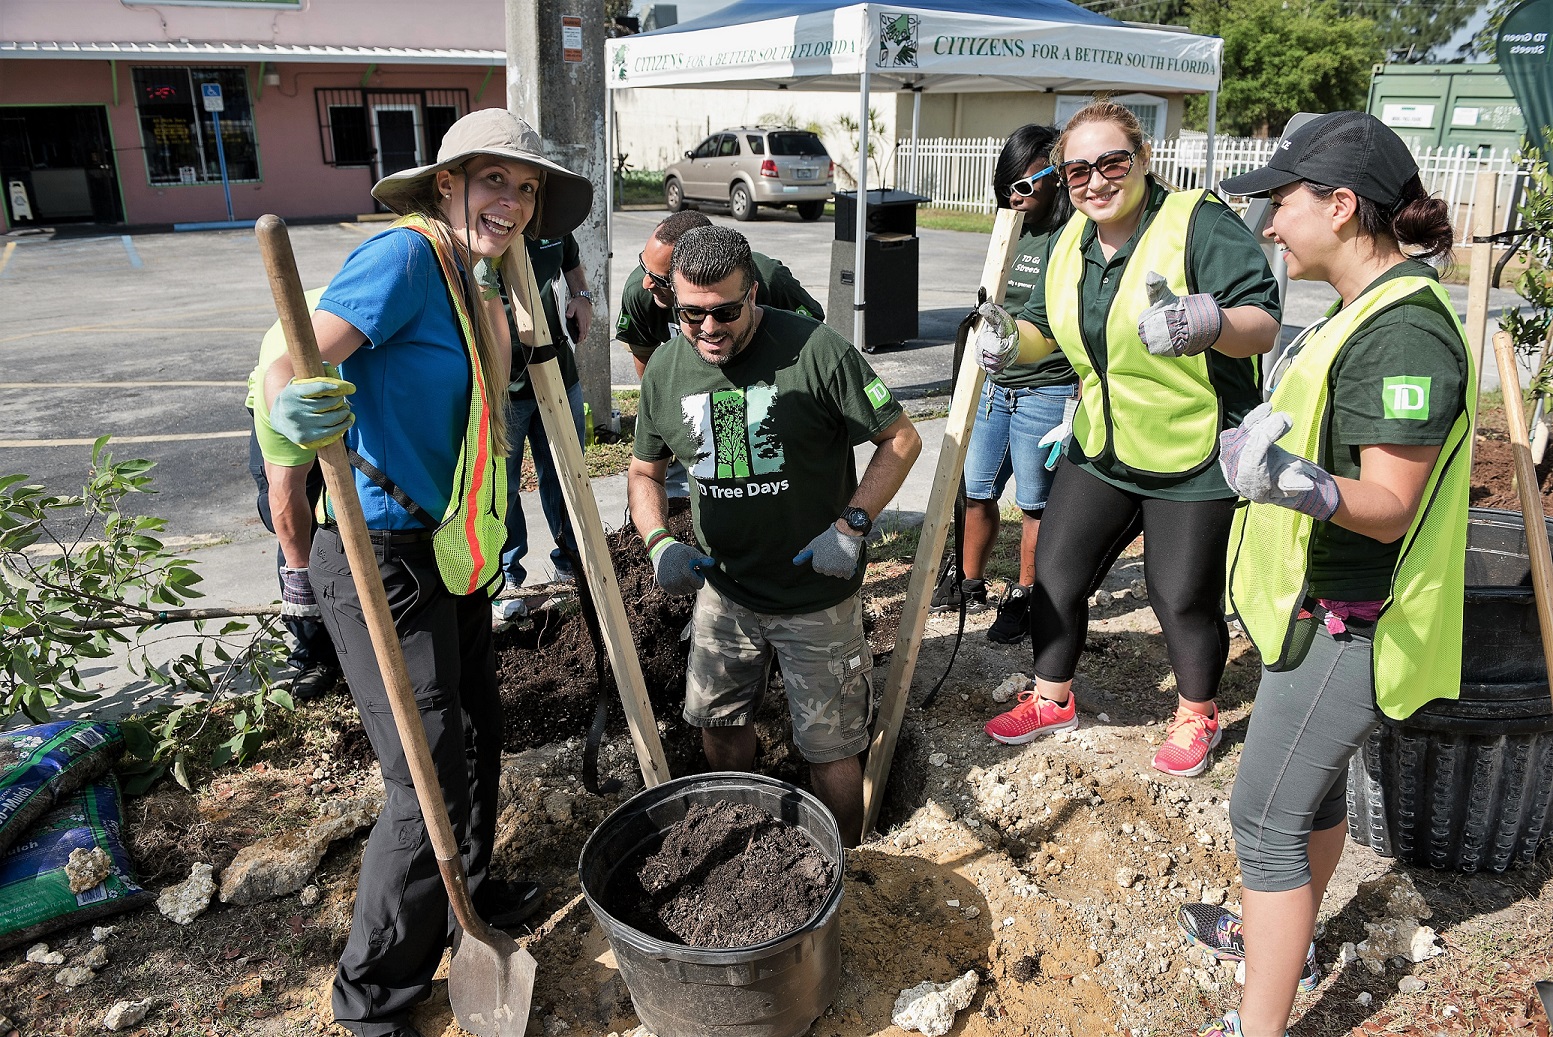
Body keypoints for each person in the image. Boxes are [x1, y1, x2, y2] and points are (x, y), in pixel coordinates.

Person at [262, 107, 591, 1037]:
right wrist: (297, 422)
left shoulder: (471, 276)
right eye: (495, 181)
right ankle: (374, 995)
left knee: (480, 729)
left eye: (526, 189)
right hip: (374, 557)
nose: (514, 202)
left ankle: (467, 902)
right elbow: (288, 364)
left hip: (444, 549)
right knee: (426, 776)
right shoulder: (407, 257)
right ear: (446, 183)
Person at [1176, 112, 1471, 1037]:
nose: (1267, 225)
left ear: (1342, 206)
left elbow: (1388, 501)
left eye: (1282, 203)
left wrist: (1297, 484)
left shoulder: (1404, 336)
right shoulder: (1359, 312)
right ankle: (1286, 940)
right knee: (1309, 798)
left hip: (1354, 622)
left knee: (1261, 818)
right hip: (1312, 612)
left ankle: (1256, 1025)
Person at [974, 99, 1281, 779]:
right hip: (1103, 445)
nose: (1095, 180)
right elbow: (1045, 332)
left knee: (1177, 594)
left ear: (1141, 160)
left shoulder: (1196, 223)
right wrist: (1006, 343)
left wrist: (1205, 322)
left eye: (1112, 162)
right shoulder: (1067, 243)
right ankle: (1052, 696)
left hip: (1192, 450)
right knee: (1055, 573)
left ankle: (1196, 711)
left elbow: (1261, 320)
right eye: (1076, 168)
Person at [626, 225, 921, 848]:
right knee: (718, 722)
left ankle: (848, 866)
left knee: (830, 747)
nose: (709, 329)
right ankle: (744, 845)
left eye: (725, 312)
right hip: (725, 594)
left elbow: (902, 439)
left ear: (753, 293)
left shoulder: (815, 351)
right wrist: (658, 541)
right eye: (690, 314)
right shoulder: (667, 372)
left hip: (815, 597)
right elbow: (644, 470)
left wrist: (853, 526)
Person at [928, 123, 1079, 646]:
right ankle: (968, 581)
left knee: (1036, 502)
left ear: (1055, 177)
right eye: (1008, 184)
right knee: (976, 487)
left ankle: (1025, 595)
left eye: (1024, 184)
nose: (1014, 196)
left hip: (1048, 390)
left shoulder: (1072, 236)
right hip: (995, 386)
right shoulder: (1009, 230)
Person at [245, 289, 343, 702]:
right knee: (301, 536)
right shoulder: (285, 392)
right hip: (292, 402)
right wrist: (302, 582)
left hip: (354, 390)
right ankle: (314, 653)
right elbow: (286, 498)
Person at [491, 230, 592, 599]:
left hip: (558, 375)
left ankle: (571, 565)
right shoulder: (484, 230)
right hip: (504, 387)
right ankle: (506, 577)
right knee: (503, 487)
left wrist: (582, 297)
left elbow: (571, 265)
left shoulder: (554, 224)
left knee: (565, 474)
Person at [615, 210, 824, 376]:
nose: (646, 283)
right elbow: (643, 353)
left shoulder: (770, 281)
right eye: (644, 266)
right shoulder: (640, 292)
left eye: (726, 310)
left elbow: (811, 337)